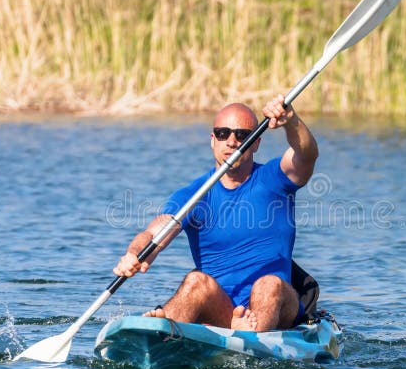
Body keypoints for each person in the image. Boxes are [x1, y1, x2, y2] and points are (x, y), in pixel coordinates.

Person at [113, 94, 318, 332]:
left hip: (280, 306)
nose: (231, 141)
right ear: (213, 140)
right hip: (221, 311)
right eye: (223, 133)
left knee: (269, 284)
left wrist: (291, 121)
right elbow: (154, 235)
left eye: (242, 135)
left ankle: (250, 336)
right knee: (195, 281)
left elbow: (306, 154)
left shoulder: (274, 178)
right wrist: (134, 254)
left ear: (256, 143)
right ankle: (161, 333)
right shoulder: (194, 195)